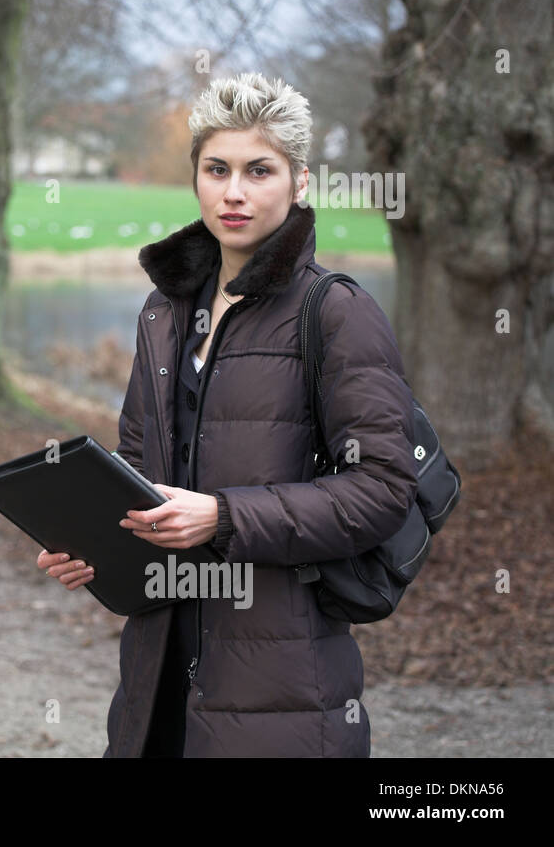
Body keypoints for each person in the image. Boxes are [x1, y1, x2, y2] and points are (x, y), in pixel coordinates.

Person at [37, 72, 418, 757]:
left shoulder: (334, 311)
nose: (234, 192)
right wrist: (92, 539)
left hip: (280, 683)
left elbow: (384, 490)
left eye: (259, 170)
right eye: (217, 169)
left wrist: (226, 515)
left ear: (300, 182)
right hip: (155, 676)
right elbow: (137, 468)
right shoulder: (163, 312)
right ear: (196, 179)